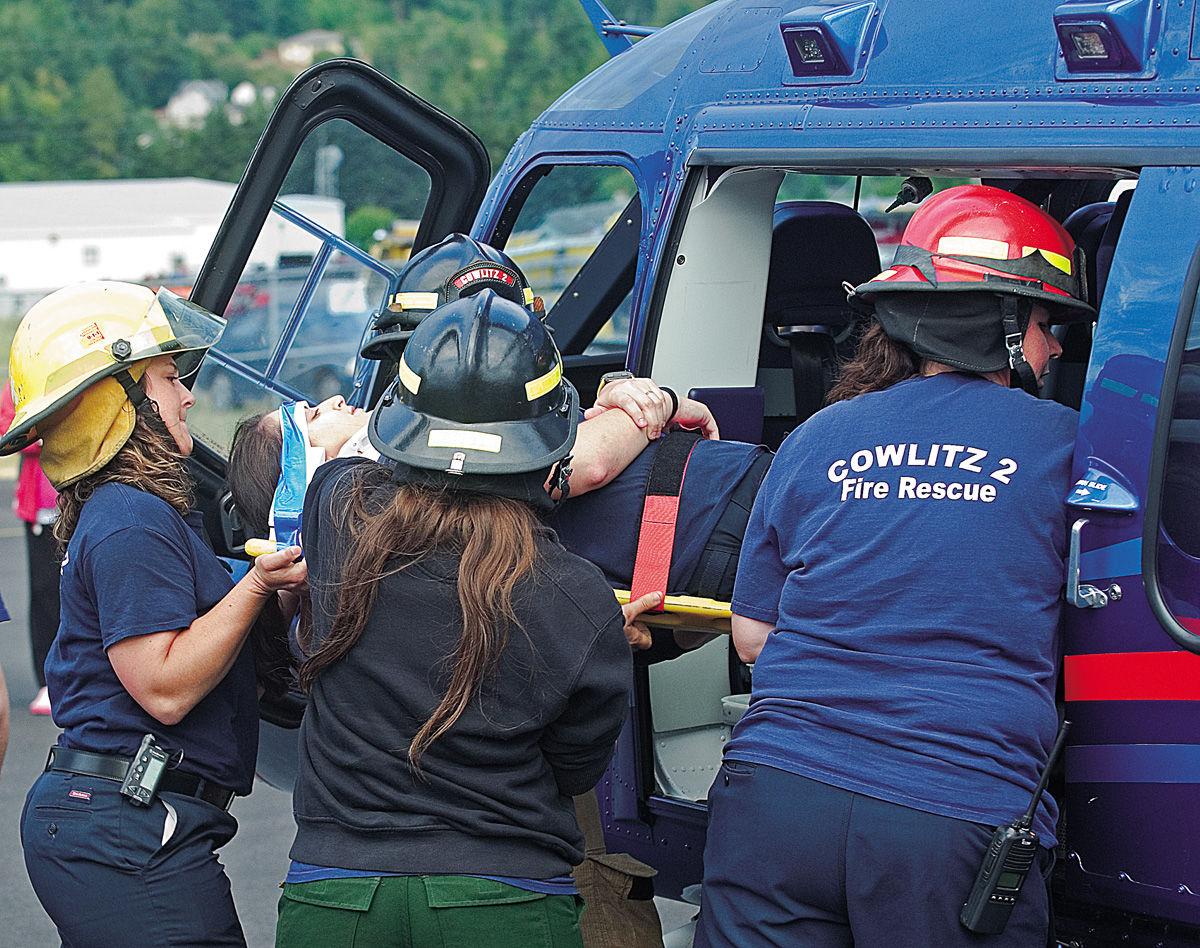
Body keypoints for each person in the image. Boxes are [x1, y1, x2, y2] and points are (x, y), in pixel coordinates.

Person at [695, 185, 1095, 948]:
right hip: (950, 815)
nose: (1058, 349)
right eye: (1050, 325)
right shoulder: (1065, 446)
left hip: (772, 801)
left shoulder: (818, 435)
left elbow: (751, 636)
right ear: (1004, 325)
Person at [274, 290, 657, 948]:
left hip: (334, 898)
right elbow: (575, 767)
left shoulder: (336, 507)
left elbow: (364, 461)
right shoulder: (577, 596)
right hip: (504, 903)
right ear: (546, 441)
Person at [4, 281, 307, 947]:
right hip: (124, 829)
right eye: (170, 379)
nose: (188, 396)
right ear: (120, 402)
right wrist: (257, 588)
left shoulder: (146, 512)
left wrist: (270, 585)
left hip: (131, 823)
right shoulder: (130, 520)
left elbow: (215, 607)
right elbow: (164, 688)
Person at [0, 381, 61, 716]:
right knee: (44, 590)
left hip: (77, 499)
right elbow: (7, 430)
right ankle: (47, 681)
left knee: (80, 588)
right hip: (39, 505)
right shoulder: (19, 381)